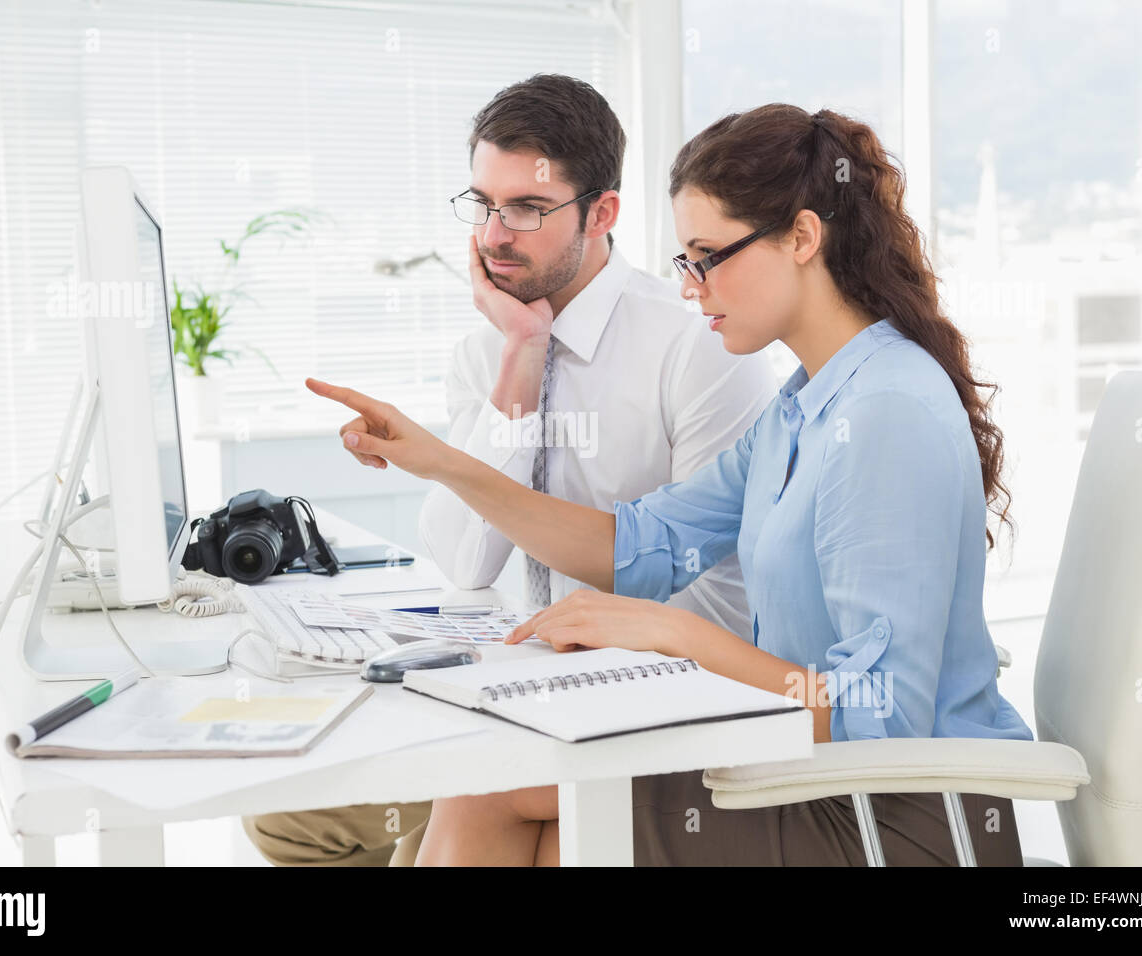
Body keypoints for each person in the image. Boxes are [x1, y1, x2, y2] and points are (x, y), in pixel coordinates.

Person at [304, 104, 1037, 867]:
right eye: (686, 262)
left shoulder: (884, 411)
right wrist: (442, 461)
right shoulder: (801, 405)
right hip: (808, 775)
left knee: (510, 808)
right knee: (508, 796)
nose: (692, 288)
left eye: (708, 255)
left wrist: (679, 635)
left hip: (901, 818)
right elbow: (640, 546)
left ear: (802, 238)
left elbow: (878, 714)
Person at [242, 74, 776, 866]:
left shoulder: (695, 345)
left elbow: (697, 586)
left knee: (533, 831)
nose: (496, 234)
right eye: (484, 204)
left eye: (528, 209)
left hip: (653, 700)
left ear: (602, 214)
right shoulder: (487, 346)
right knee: (282, 815)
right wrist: (520, 361)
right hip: (515, 687)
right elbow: (465, 561)